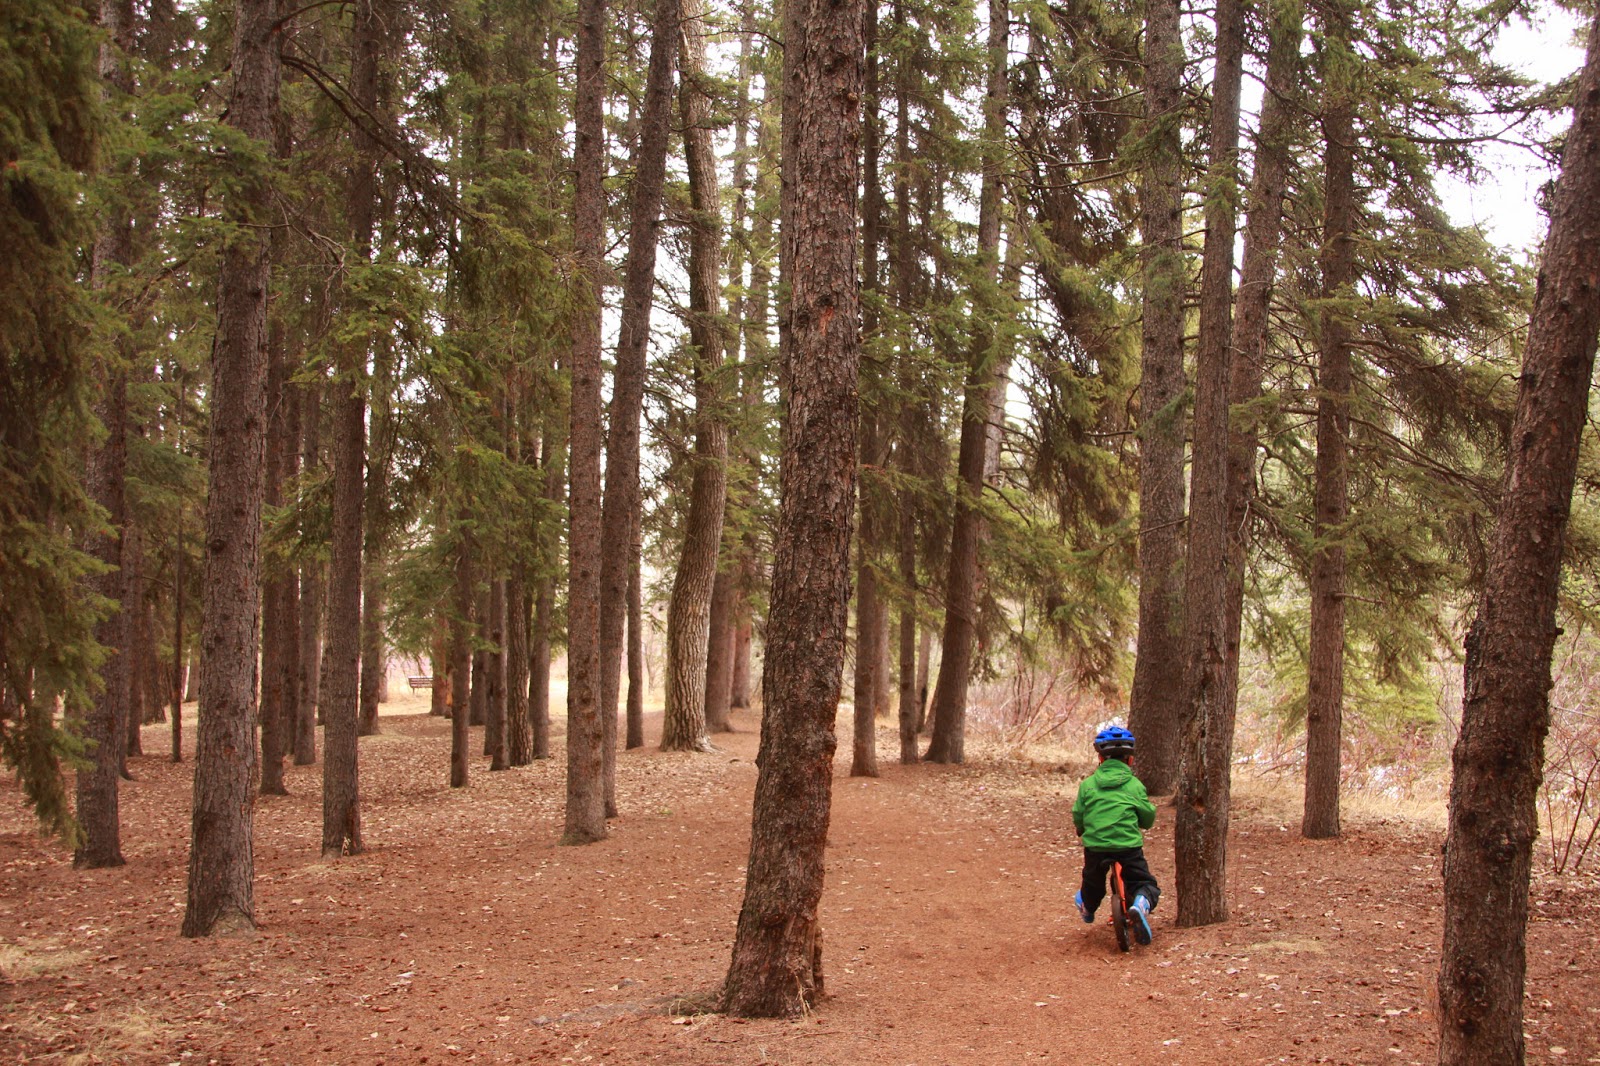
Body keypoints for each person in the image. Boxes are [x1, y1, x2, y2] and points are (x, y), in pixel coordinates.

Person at [1072, 725, 1161, 945]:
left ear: (1100, 758)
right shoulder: (1135, 785)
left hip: (1096, 846)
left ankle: (1088, 907)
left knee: (1092, 883)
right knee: (1144, 882)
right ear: (1129, 760)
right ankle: (1140, 903)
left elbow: (1079, 813)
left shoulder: (1088, 785)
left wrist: (1081, 828)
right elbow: (1147, 817)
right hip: (1128, 846)